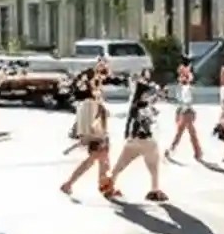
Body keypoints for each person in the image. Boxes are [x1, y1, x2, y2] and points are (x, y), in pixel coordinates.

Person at [105, 72, 168, 202]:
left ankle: (109, 185)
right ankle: (155, 189)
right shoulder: (143, 106)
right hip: (145, 140)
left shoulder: (135, 104)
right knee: (153, 164)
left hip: (132, 139)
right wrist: (156, 101)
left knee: (121, 164)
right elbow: (147, 119)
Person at [61, 84, 113, 197]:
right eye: (98, 90)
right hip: (98, 138)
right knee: (96, 163)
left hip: (96, 137)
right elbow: (94, 123)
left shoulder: (87, 104)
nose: (101, 92)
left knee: (99, 163)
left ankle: (104, 187)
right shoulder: (92, 104)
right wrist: (98, 137)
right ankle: (69, 184)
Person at [166, 62, 202, 161]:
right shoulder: (182, 87)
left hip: (187, 112)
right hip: (185, 112)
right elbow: (181, 101)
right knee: (191, 133)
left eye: (182, 75)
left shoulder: (186, 88)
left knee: (180, 133)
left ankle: (171, 150)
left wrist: (180, 111)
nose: (180, 77)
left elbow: (186, 101)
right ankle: (198, 152)